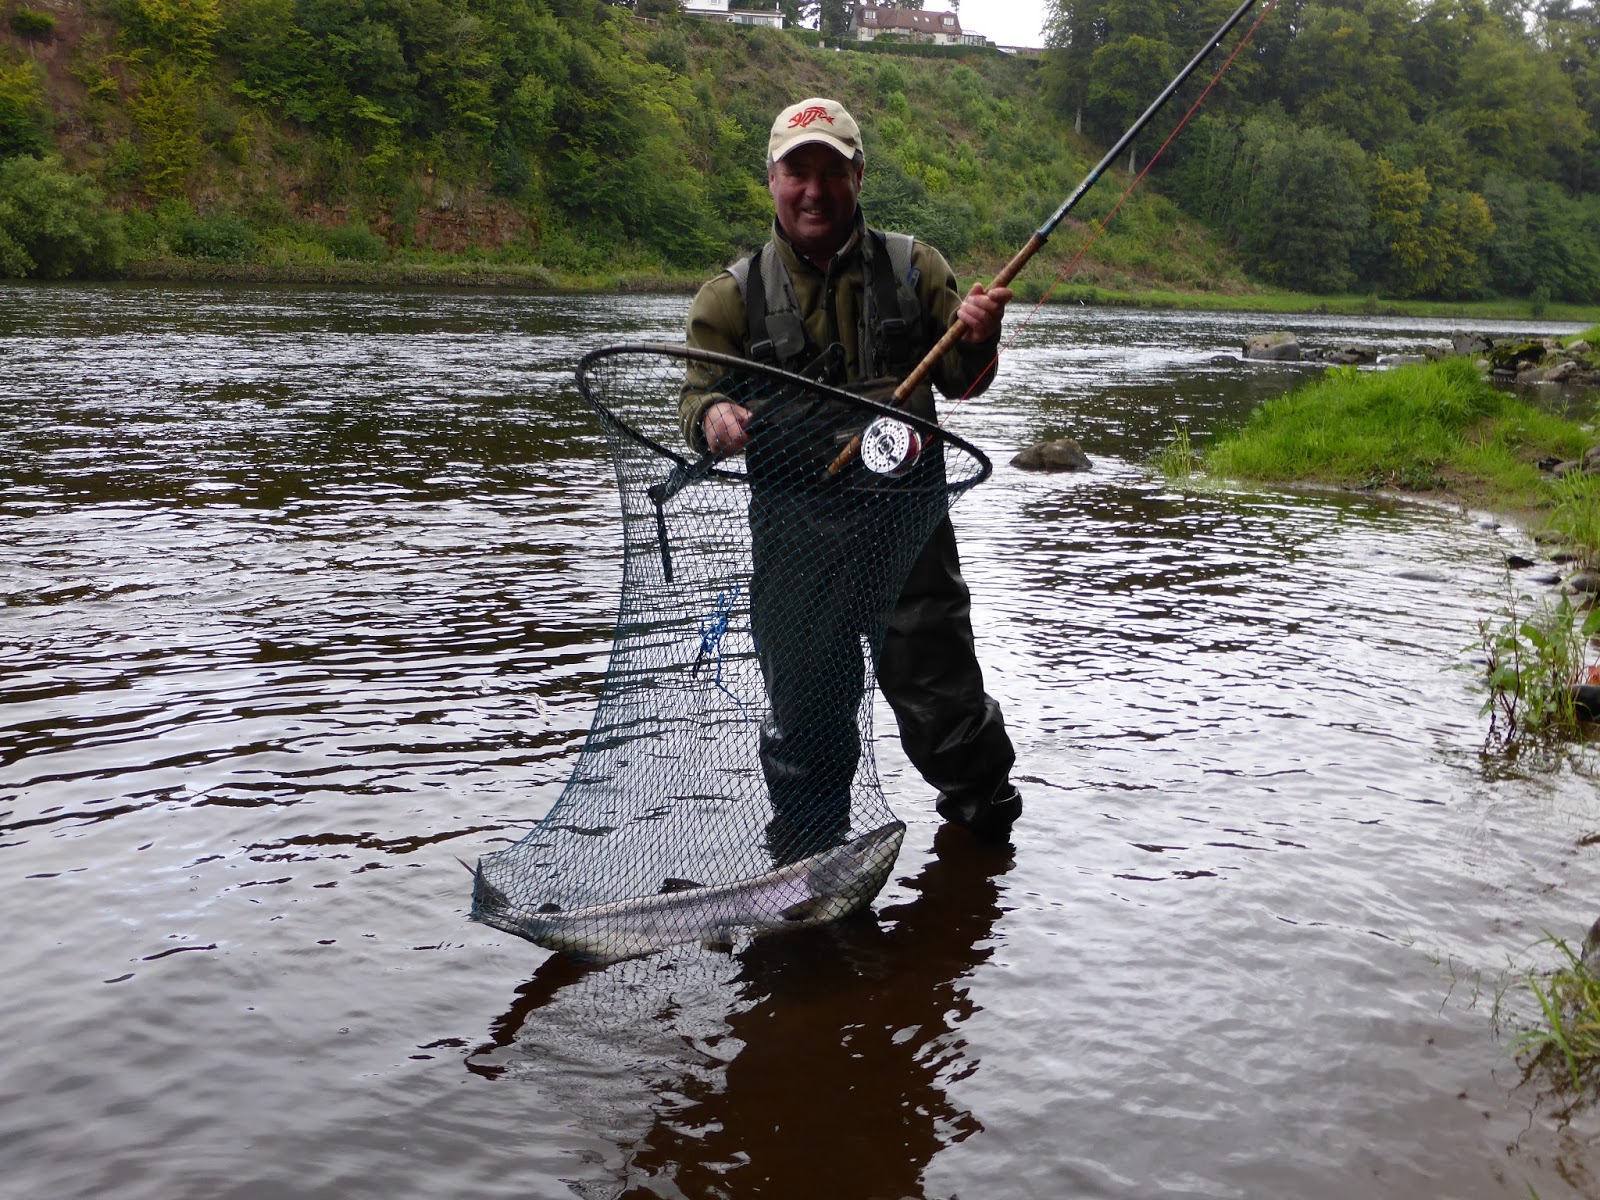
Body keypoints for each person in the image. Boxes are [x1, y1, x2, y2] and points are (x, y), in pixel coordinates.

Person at [681, 96, 1021, 850]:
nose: (814, 190)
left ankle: (981, 863)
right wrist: (713, 420)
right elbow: (697, 395)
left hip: (910, 548)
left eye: (831, 171)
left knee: (949, 721)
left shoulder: (914, 269)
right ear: (771, 180)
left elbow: (966, 383)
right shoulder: (730, 298)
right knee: (805, 734)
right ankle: (809, 893)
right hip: (798, 554)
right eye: (797, 172)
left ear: (857, 177)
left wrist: (981, 336)